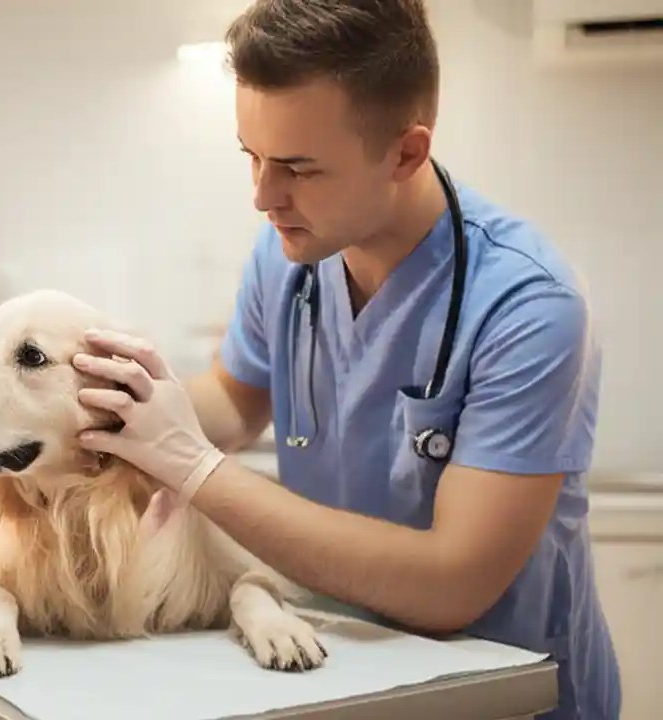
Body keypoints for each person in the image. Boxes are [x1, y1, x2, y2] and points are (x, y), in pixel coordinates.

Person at [72, 2, 619, 718]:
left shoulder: (527, 307)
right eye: (252, 156)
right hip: (347, 680)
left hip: (501, 696)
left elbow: (452, 583)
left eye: (298, 168)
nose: (263, 196)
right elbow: (235, 402)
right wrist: (111, 393)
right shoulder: (288, 253)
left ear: (406, 153)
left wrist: (192, 466)